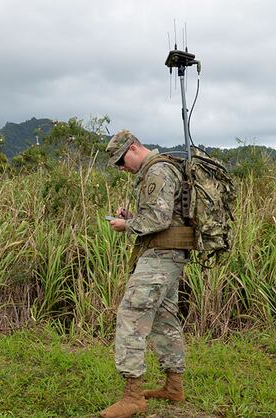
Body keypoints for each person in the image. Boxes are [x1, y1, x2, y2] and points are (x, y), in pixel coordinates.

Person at [100, 129, 193, 418]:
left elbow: (159, 218)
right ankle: (173, 386)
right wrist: (131, 217)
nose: (122, 168)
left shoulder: (158, 170)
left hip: (160, 256)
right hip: (168, 254)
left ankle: (133, 397)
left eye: (121, 161)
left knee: (131, 314)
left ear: (134, 149)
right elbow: (164, 216)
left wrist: (126, 226)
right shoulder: (162, 168)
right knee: (165, 319)